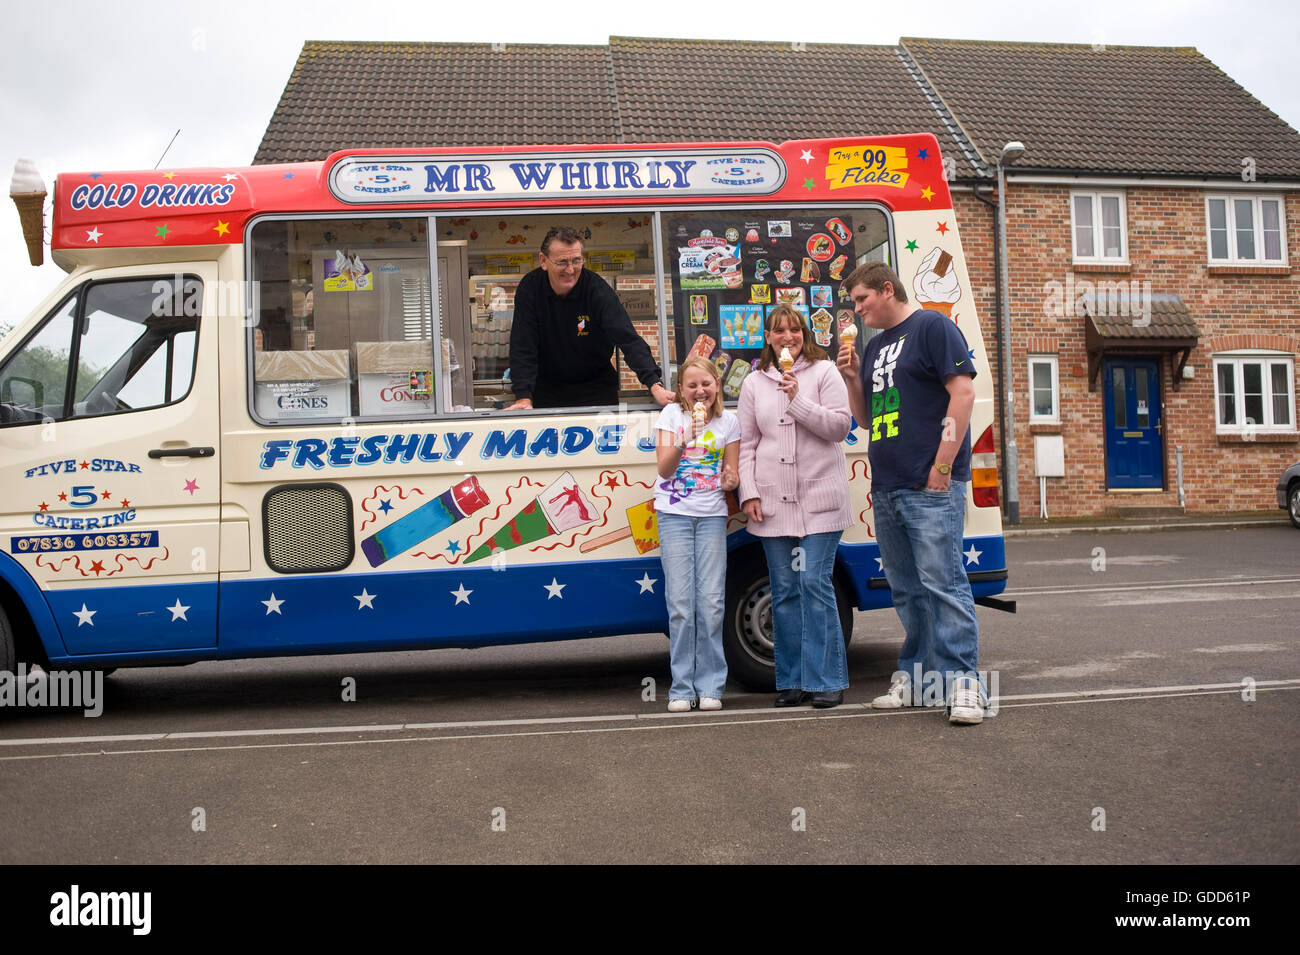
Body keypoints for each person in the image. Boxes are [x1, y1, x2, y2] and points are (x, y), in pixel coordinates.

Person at [836, 261, 985, 725]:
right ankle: (920, 678)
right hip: (888, 483)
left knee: (944, 584)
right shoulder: (877, 345)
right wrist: (853, 378)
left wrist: (942, 466)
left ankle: (965, 686)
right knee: (907, 589)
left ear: (887, 289)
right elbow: (863, 419)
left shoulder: (932, 326)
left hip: (930, 483)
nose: (858, 311)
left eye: (862, 299)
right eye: (853, 303)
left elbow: (962, 393)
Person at [738, 303, 853, 709]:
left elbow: (840, 426)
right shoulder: (753, 383)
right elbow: (748, 444)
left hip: (821, 501)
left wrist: (797, 400)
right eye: (779, 331)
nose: (787, 337)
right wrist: (748, 491)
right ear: (768, 338)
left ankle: (827, 680)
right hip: (773, 503)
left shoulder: (824, 373)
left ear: (804, 334)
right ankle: (792, 681)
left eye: (794, 330)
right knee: (784, 590)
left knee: (814, 584)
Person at [654, 356, 741, 712]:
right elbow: (663, 469)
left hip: (710, 516)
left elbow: (731, 471)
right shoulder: (670, 417)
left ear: (716, 385)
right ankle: (681, 688)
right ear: (682, 391)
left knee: (711, 602)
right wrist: (684, 437)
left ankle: (710, 686)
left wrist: (731, 479)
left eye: (705, 383)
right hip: (674, 515)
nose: (699, 391)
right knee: (680, 604)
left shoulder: (729, 422)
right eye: (692, 385)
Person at [507, 226, 674, 410]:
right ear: (543, 261)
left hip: (596, 389)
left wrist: (654, 384)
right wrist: (523, 397)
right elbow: (523, 346)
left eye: (577, 261)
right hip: (546, 390)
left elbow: (628, 339)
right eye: (562, 262)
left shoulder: (597, 290)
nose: (570, 270)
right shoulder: (530, 288)